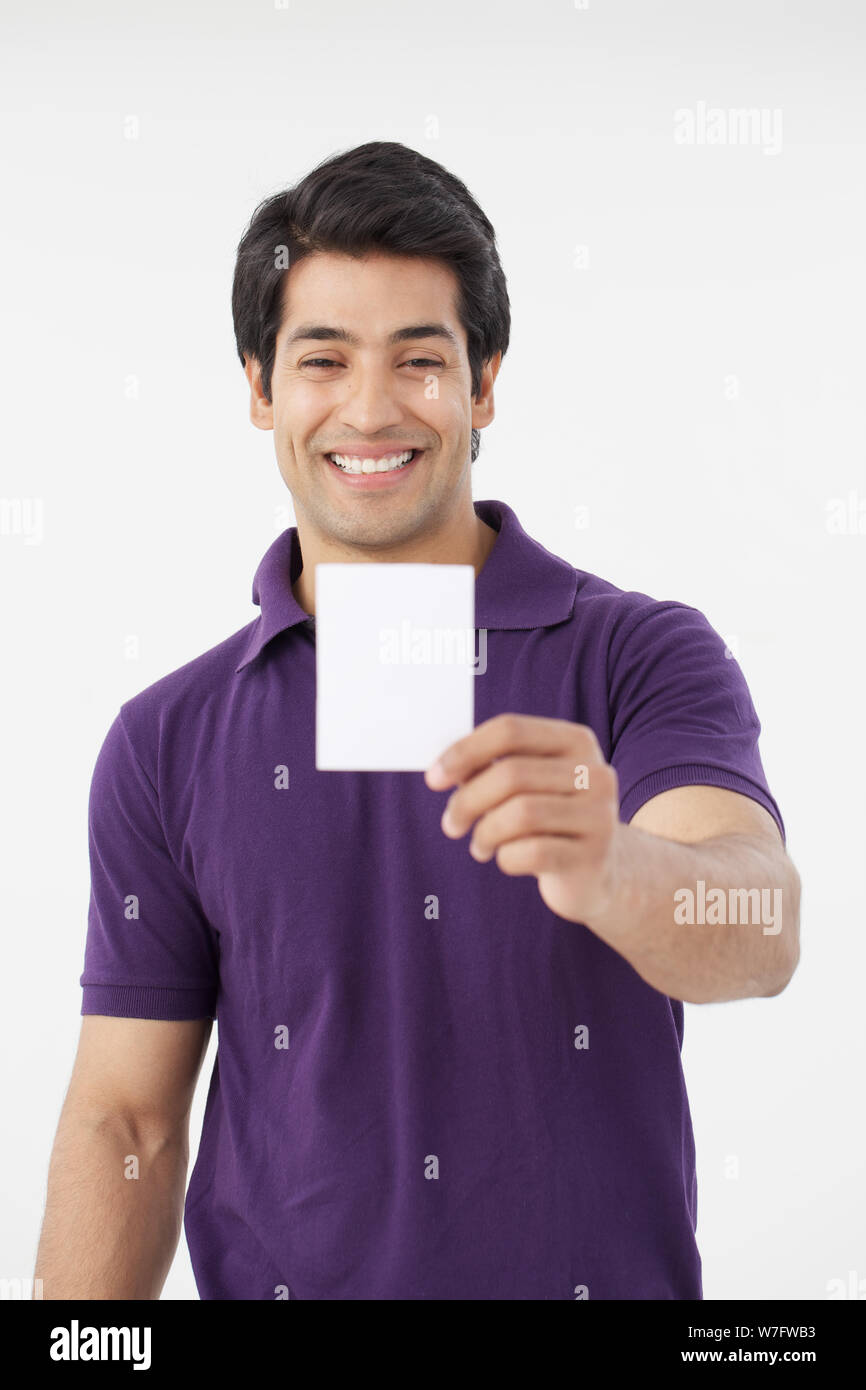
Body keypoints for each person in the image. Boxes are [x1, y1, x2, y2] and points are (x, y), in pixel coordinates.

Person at [34, 141, 800, 1301]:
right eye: (322, 359)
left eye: (420, 360)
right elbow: (126, 1114)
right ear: (260, 387)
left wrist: (619, 867)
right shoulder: (162, 739)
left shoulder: (640, 652)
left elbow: (758, 923)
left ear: (484, 384)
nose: (370, 407)